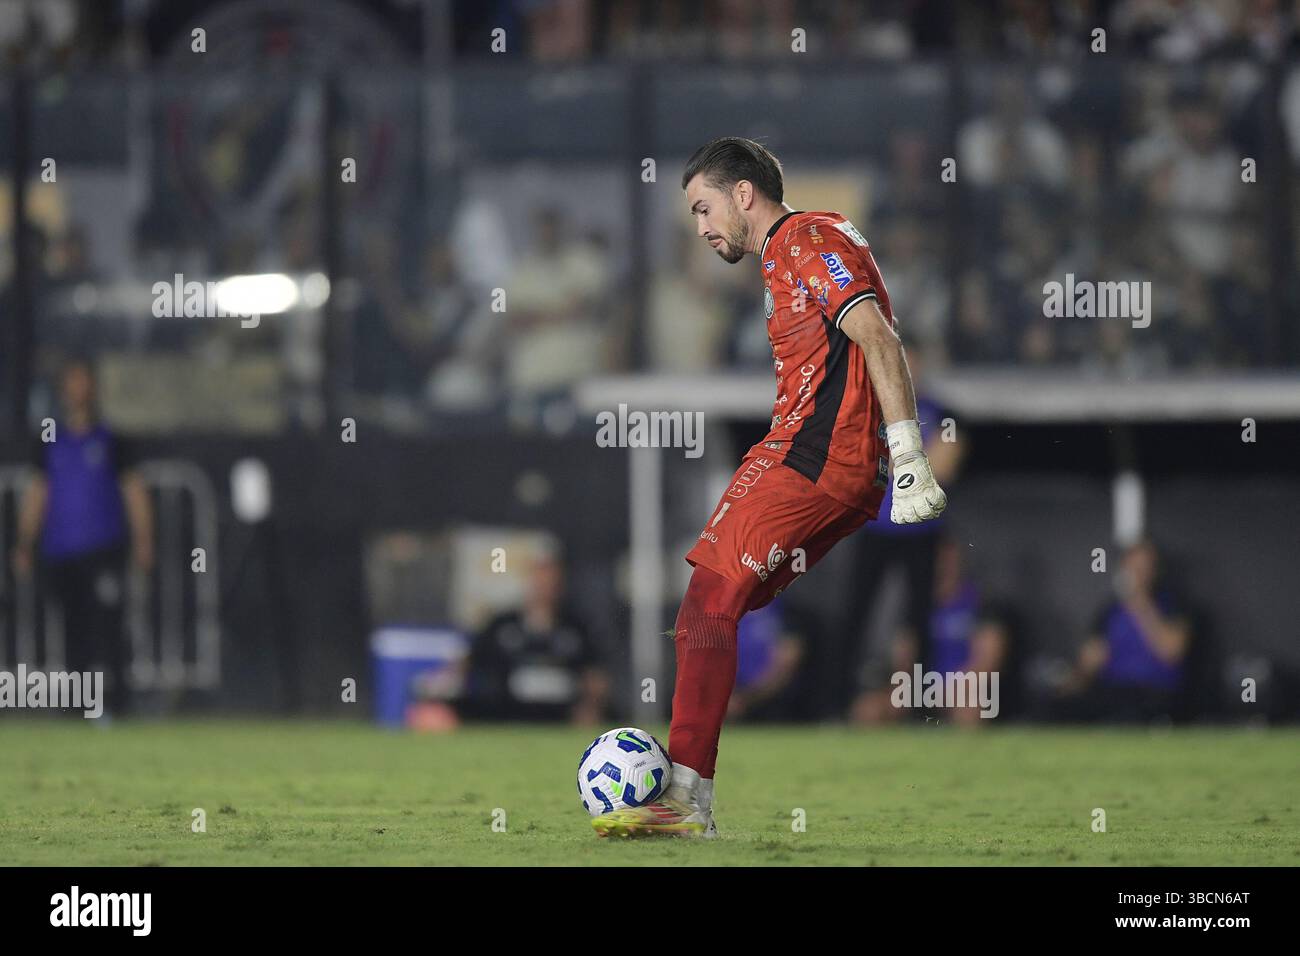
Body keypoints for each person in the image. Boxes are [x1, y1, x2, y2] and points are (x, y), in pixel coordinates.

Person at [590, 137, 947, 839]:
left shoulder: (805, 239)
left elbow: (878, 336)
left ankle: (688, 802)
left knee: (705, 603)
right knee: (708, 608)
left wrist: (910, 455)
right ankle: (689, 796)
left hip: (813, 460)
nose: (700, 227)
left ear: (743, 194)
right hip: (824, 464)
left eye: (703, 207)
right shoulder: (797, 250)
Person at [11, 358, 154, 716]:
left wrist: (144, 540)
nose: (77, 389)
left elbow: (134, 491)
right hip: (61, 551)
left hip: (104, 549)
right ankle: (76, 709)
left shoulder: (111, 441)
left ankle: (118, 707)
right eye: (71, 382)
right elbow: (37, 493)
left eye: (83, 381)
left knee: (108, 626)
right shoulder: (49, 441)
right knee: (71, 631)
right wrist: (24, 543)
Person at [461, 547, 609, 724]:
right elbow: (469, 665)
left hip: (563, 718)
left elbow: (594, 677)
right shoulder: (501, 625)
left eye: (551, 580)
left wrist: (591, 705)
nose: (545, 586)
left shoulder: (577, 628)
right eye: (540, 579)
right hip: (507, 716)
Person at [1055, 537, 1191, 723]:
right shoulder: (1110, 611)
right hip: (1114, 690)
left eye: (1144, 567)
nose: (1138, 573)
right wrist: (1074, 680)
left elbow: (1171, 650)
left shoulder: (1172, 605)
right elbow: (1091, 658)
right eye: (1133, 567)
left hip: (1156, 693)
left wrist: (1140, 605)